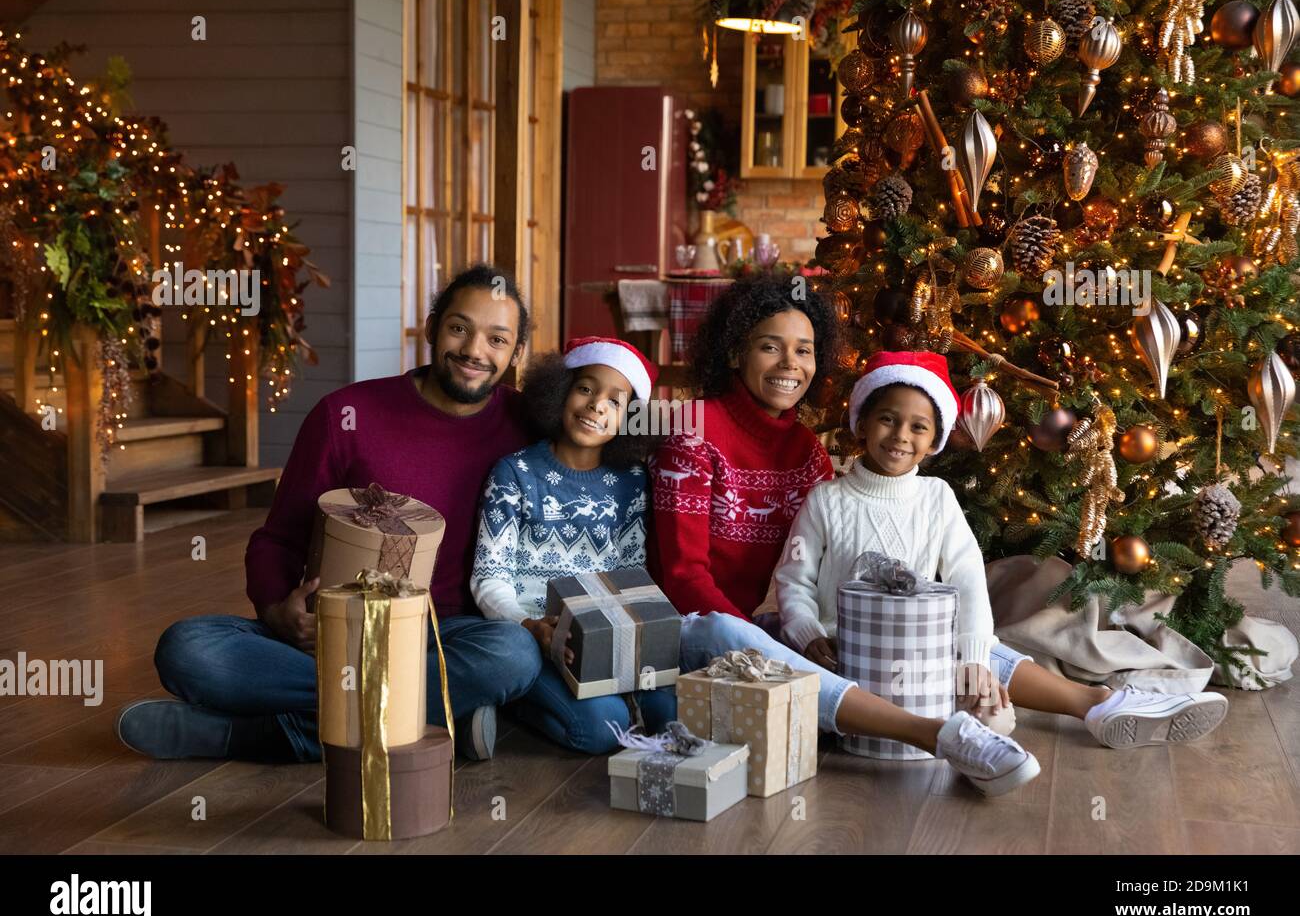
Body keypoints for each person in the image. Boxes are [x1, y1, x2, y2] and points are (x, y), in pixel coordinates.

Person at [115, 264, 543, 763]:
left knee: (512, 655)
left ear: (516, 353)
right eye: (458, 328)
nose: (474, 350)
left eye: (497, 339)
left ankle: (268, 736)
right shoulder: (348, 414)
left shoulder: (527, 427)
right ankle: (435, 715)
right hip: (338, 628)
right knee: (189, 648)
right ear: (431, 327)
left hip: (449, 636)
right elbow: (279, 537)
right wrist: (278, 609)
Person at [651, 276, 1040, 795]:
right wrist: (775, 640)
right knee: (732, 628)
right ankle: (936, 734)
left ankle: (1091, 703)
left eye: (804, 350)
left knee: (924, 634)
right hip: (697, 627)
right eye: (770, 346)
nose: (790, 364)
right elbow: (683, 577)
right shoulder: (692, 432)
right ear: (734, 353)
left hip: (761, 625)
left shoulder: (807, 451)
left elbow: (804, 576)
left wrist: (795, 630)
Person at [775, 349, 1230, 751]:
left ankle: (1099, 705)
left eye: (918, 427)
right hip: (847, 650)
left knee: (991, 691)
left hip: (924, 646)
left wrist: (973, 657)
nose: (900, 436)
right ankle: (950, 725)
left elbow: (967, 578)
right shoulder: (827, 500)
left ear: (933, 440)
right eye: (888, 419)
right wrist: (807, 630)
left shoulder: (936, 497)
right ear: (862, 422)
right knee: (991, 717)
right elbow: (794, 580)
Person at [470, 337, 675, 753]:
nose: (597, 405)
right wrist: (531, 627)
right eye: (585, 388)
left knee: (667, 708)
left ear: (630, 418)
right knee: (604, 728)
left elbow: (630, 578)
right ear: (559, 391)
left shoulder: (632, 482)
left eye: (615, 402)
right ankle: (509, 700)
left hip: (601, 636)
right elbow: (489, 578)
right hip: (531, 637)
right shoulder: (515, 473)